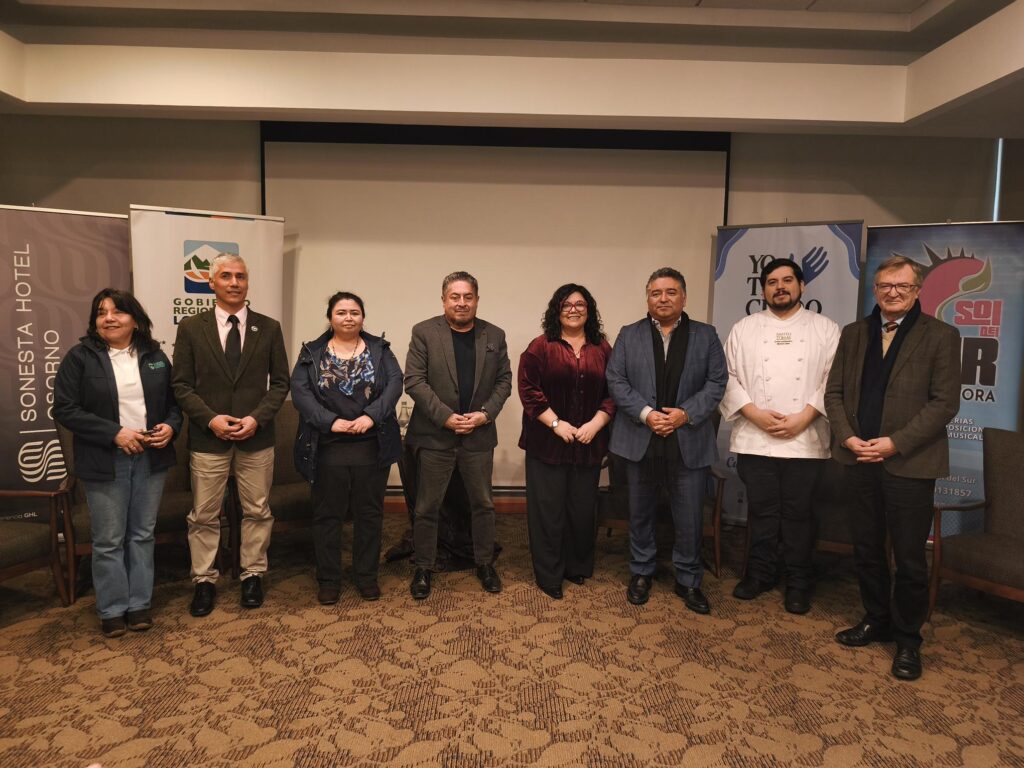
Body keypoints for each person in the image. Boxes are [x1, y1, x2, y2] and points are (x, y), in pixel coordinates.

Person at [825, 255, 960, 681]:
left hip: (909, 462)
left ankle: (907, 639)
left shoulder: (941, 335)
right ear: (875, 290)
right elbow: (834, 393)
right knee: (866, 547)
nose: (893, 293)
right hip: (858, 456)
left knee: (908, 557)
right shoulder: (853, 334)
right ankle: (876, 618)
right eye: (885, 286)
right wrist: (848, 437)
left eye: (902, 286)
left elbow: (944, 404)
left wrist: (894, 444)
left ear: (918, 290)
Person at [54, 288, 181, 637]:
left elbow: (175, 402)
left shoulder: (155, 356)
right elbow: (64, 409)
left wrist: (171, 426)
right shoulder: (79, 358)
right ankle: (111, 609)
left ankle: (139, 605)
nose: (108, 318)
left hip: (151, 455)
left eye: (117, 311)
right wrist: (114, 433)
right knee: (109, 539)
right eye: (101, 312)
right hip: (105, 458)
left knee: (142, 534)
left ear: (135, 319)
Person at [172, 254, 289, 617]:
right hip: (210, 439)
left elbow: (281, 383)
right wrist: (210, 420)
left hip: (256, 437)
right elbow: (181, 385)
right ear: (212, 283)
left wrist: (256, 419)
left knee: (257, 510)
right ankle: (204, 580)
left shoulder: (268, 328)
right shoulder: (192, 328)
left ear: (247, 283)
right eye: (226, 276)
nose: (235, 282)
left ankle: (252, 574)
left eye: (240, 276)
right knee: (204, 514)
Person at [720, 258, 839, 614]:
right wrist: (755, 413)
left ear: (802, 286)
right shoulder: (744, 328)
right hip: (757, 438)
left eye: (788, 280)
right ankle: (759, 574)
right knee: (762, 511)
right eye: (772, 282)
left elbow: (834, 381)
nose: (780, 287)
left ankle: (799, 582)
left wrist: (804, 417)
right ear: (763, 290)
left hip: (806, 438)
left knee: (799, 514)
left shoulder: (826, 329)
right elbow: (725, 378)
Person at [606, 267, 727, 613]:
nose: (663, 298)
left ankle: (688, 579)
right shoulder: (629, 335)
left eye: (671, 292)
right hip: (639, 437)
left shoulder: (706, 335)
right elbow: (616, 381)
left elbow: (717, 383)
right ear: (648, 298)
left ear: (683, 297)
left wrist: (684, 414)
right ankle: (641, 572)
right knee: (640, 511)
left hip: (687, 438)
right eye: (656, 293)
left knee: (688, 516)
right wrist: (647, 413)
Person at [404, 271, 512, 600]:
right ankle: (423, 566)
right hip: (436, 436)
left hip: (478, 437)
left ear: (476, 300)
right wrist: (446, 418)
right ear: (444, 300)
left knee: (482, 504)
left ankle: (483, 563)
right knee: (427, 506)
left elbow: (504, 381)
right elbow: (415, 381)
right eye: (455, 297)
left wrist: (484, 415)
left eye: (468, 297)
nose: (462, 303)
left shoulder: (495, 334)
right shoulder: (423, 332)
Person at [291, 292, 402, 604]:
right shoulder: (312, 352)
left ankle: (366, 576)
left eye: (355, 312)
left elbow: (395, 384)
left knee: (370, 514)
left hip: (372, 444)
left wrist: (371, 416)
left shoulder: (381, 350)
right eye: (341, 312)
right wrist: (330, 422)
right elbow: (300, 393)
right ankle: (328, 579)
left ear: (363, 317)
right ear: (330, 317)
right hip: (328, 447)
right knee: (328, 516)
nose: (348, 317)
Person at [517, 284, 615, 599]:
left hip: (588, 442)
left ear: (589, 309)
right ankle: (549, 575)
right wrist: (556, 423)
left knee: (581, 509)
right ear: (556, 310)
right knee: (548, 511)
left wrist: (596, 423)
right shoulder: (540, 346)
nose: (573, 309)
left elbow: (615, 392)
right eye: (566, 304)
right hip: (547, 443)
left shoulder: (603, 349)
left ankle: (576, 567)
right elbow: (529, 391)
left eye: (580, 303)